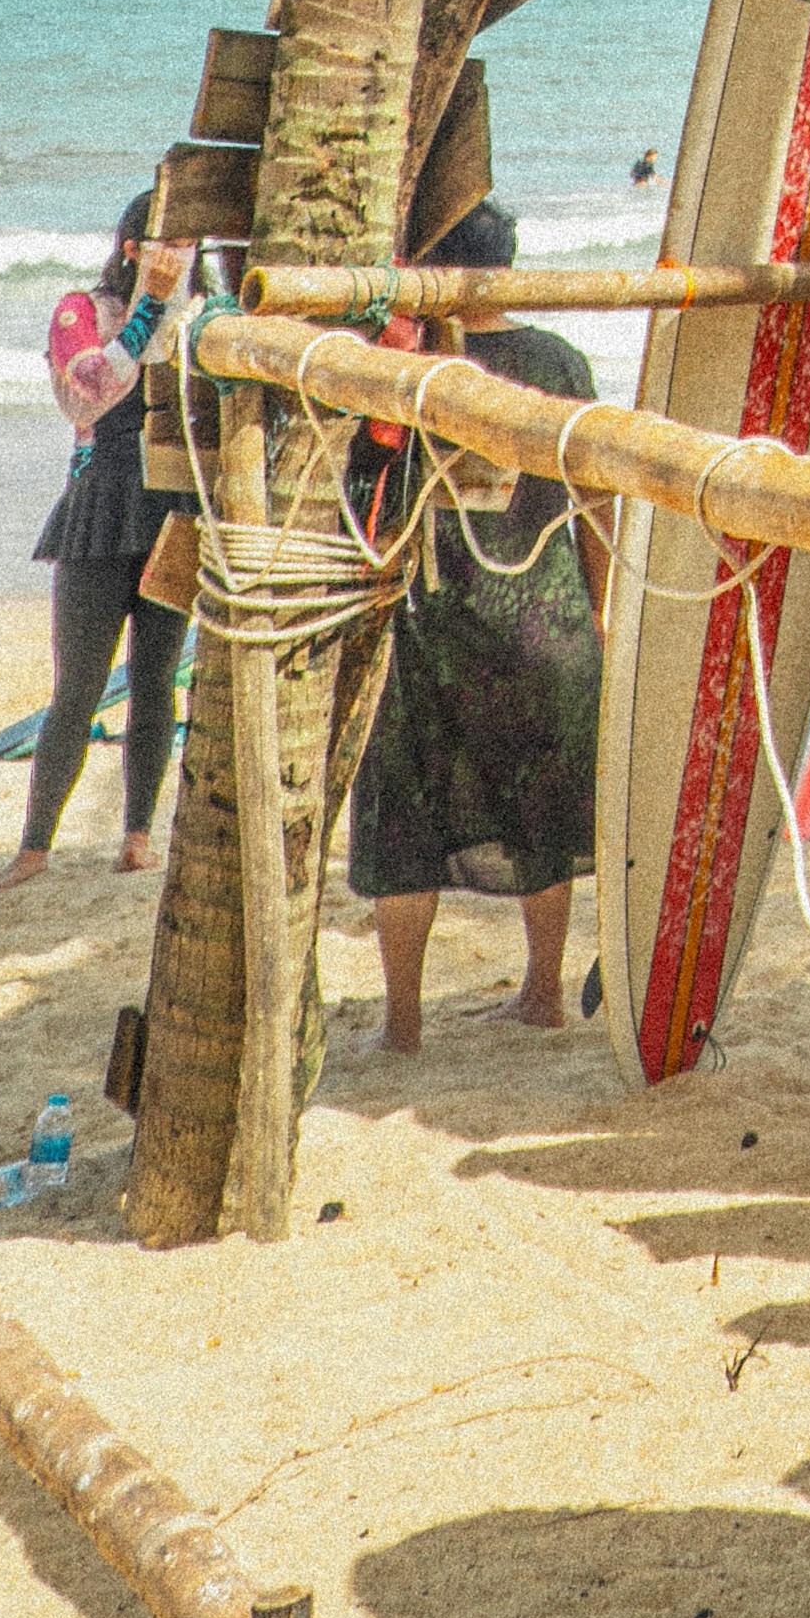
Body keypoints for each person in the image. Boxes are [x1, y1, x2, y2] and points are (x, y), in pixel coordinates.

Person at [345, 203, 606, 1046]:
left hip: (431, 617)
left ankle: (404, 1022)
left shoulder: (406, 364)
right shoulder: (558, 363)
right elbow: (599, 502)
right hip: (543, 613)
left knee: (404, 815)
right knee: (542, 805)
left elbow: (366, 492)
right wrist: (598, 609)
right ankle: (541, 993)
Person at [0, 190, 185, 892]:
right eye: (167, 246)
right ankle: (35, 848)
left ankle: (136, 837)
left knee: (157, 680)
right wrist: (151, 306)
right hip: (100, 503)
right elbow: (88, 388)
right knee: (79, 688)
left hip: (173, 506)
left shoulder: (195, 316)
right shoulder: (82, 311)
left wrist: (175, 303)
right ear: (133, 248)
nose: (179, 260)